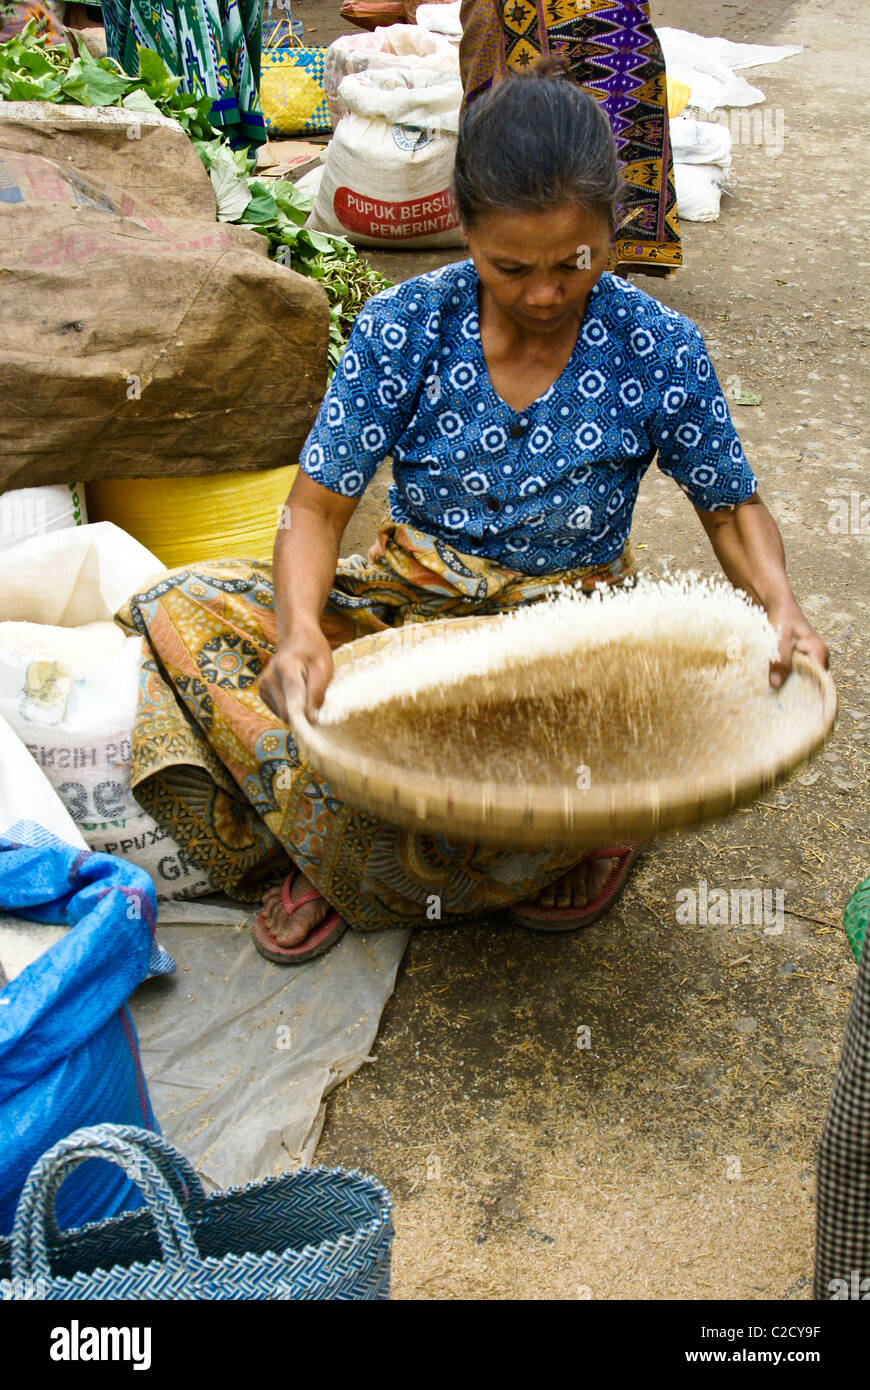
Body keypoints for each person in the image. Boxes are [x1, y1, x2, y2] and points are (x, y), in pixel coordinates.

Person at [119, 72, 827, 964]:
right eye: (510, 267)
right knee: (184, 608)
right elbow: (314, 507)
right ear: (465, 229)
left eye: (573, 262)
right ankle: (394, 845)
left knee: (668, 710)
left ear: (613, 228)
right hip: (409, 616)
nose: (542, 294)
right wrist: (302, 630)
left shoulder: (658, 346)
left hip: (567, 645)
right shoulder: (403, 325)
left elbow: (731, 509)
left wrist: (780, 606)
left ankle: (349, 841)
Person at [459, 0, 681, 277]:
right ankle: (566, 259)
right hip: (562, 26)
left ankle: (587, 261)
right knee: (519, 132)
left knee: (598, 136)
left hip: (603, 32)